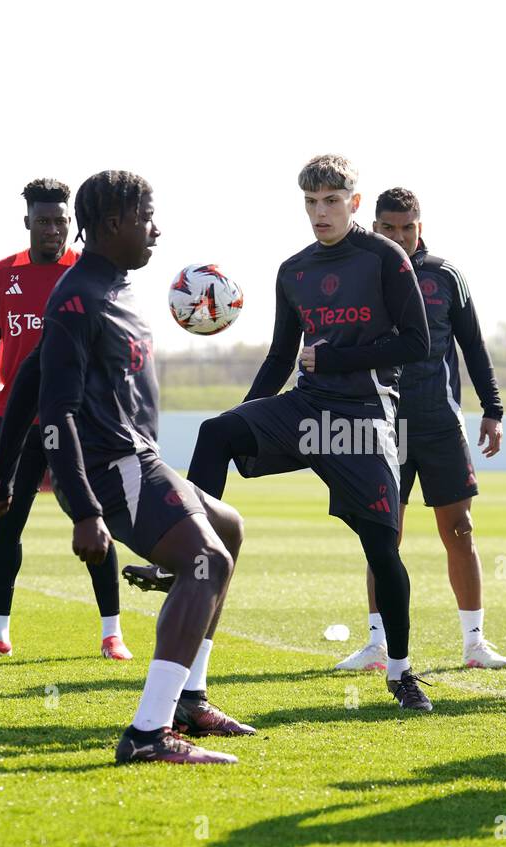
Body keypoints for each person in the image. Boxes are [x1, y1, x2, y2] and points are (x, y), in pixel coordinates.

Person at [0, 170, 252, 762]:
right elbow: (55, 410)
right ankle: (148, 734)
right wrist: (83, 510)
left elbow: (27, 376)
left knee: (226, 528)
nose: (157, 229)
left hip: (140, 456)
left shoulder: (112, 286)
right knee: (206, 562)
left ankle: (189, 701)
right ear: (110, 225)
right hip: (114, 466)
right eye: (146, 217)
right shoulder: (80, 296)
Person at [185, 154, 435, 711]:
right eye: (310, 202)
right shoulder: (292, 270)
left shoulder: (385, 258)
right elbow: (281, 355)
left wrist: (342, 357)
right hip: (307, 409)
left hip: (365, 419)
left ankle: (400, 671)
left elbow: (417, 345)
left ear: (354, 202)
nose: (319, 212)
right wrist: (248, 413)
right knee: (215, 432)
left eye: (330, 201)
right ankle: (190, 547)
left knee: (381, 548)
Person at [0, 178, 130, 662]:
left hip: (79, 420)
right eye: (45, 220)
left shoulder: (93, 272)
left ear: (72, 223)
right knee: (6, 526)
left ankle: (113, 633)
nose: (54, 229)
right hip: (18, 419)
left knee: (92, 519)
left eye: (61, 221)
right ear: (28, 221)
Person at [333, 186, 506, 672]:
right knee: (382, 536)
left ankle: (475, 642)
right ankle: (377, 643)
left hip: (438, 424)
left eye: (408, 228)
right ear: (374, 227)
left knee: (460, 529)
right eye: (389, 228)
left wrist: (492, 409)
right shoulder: (358, 278)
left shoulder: (445, 276)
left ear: (420, 226)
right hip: (379, 425)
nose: (400, 237)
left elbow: (474, 346)